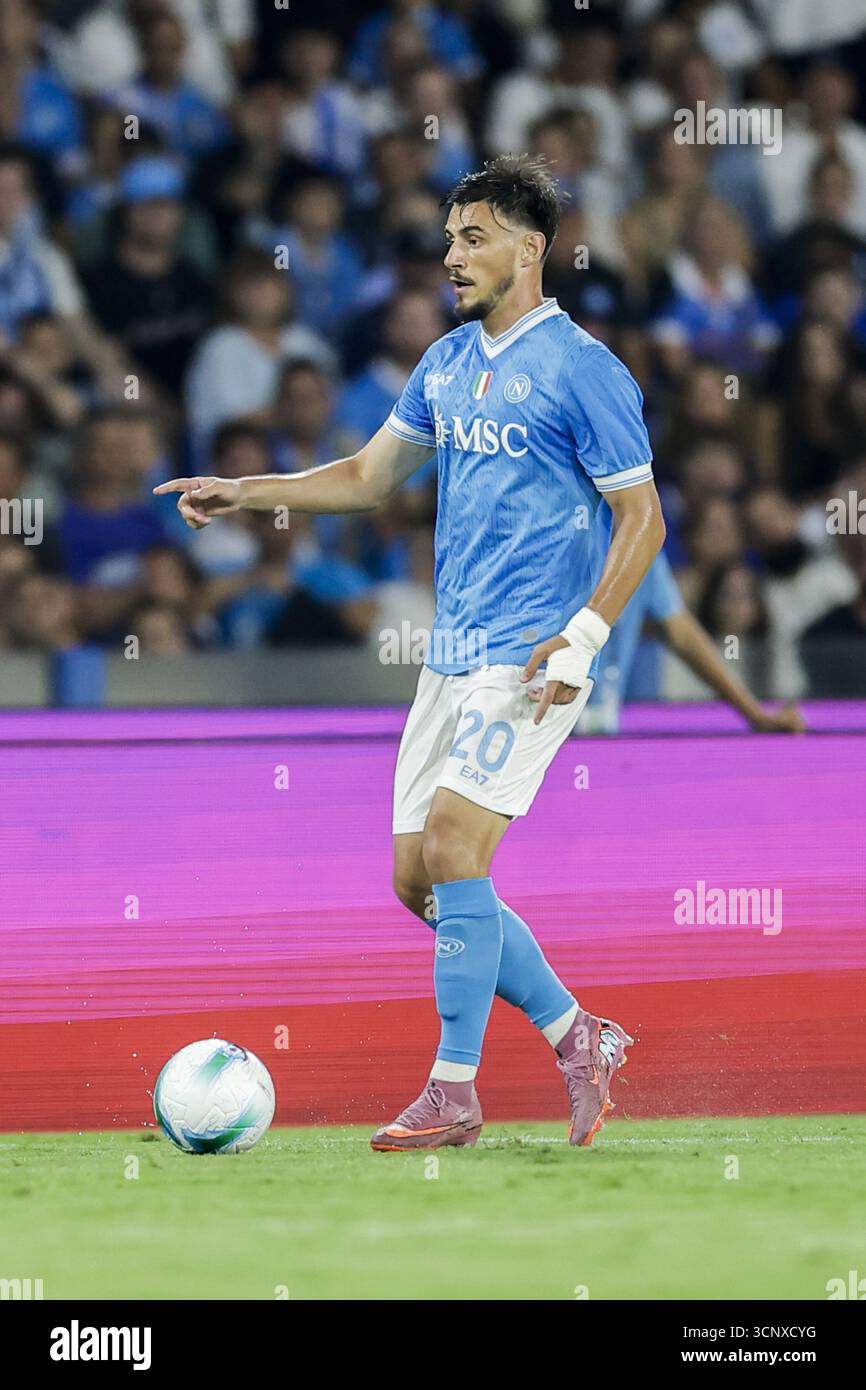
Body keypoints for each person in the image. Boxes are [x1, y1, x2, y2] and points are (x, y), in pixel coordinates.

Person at [155, 155, 667, 1152]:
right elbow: (363, 478)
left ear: (530, 248)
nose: (450, 256)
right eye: (446, 238)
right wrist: (245, 490)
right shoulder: (442, 363)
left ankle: (453, 1090)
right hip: (449, 653)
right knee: (417, 881)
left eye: (471, 237)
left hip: (532, 653)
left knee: (452, 847)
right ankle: (577, 1035)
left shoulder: (584, 369)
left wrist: (586, 632)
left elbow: (640, 518)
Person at [593, 550, 806, 734]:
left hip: (602, 725)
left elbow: (682, 634)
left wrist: (754, 714)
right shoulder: (565, 532)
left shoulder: (644, 551)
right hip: (562, 719)